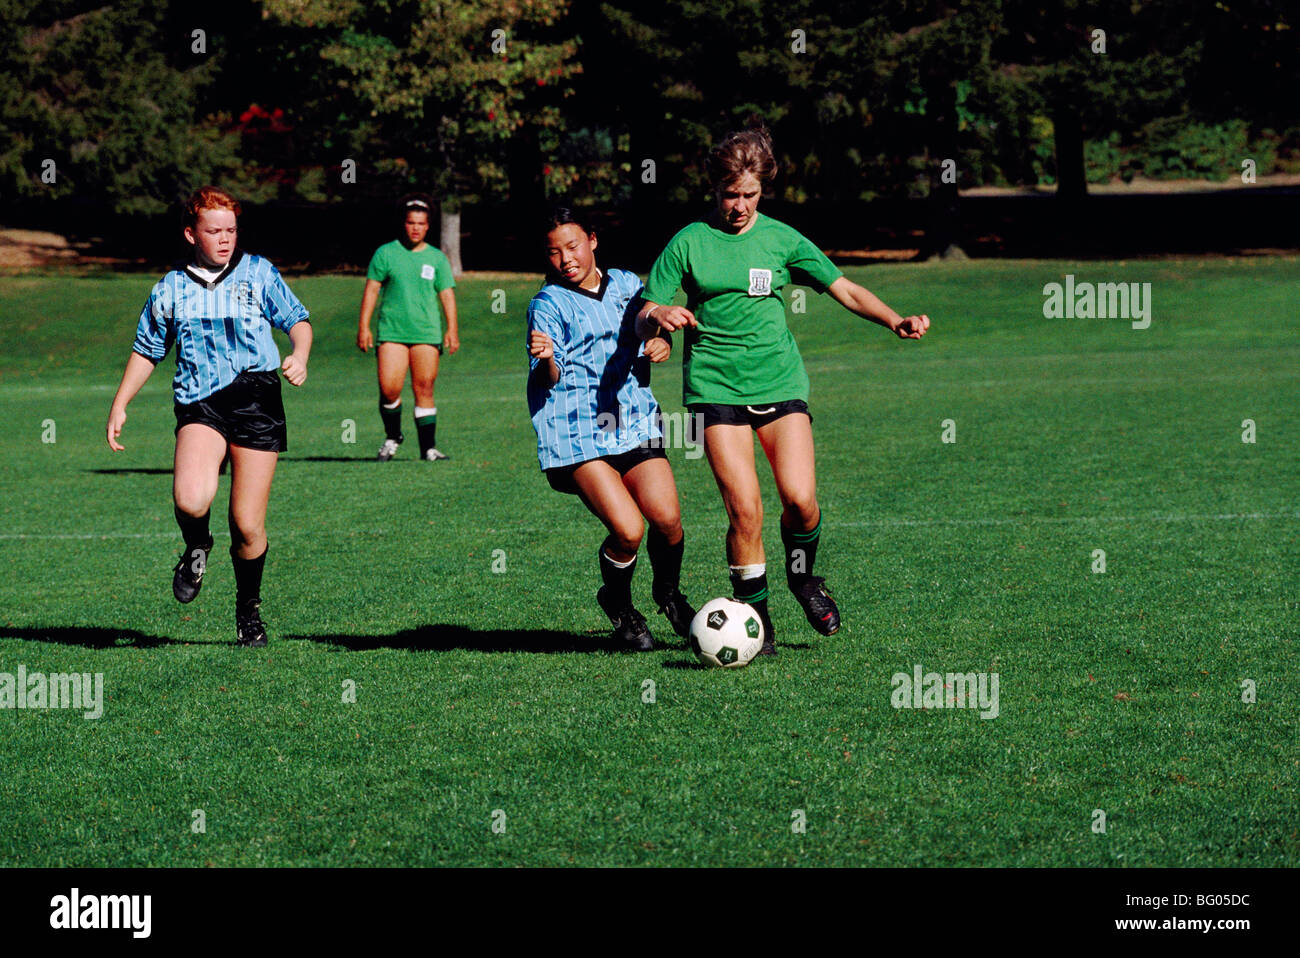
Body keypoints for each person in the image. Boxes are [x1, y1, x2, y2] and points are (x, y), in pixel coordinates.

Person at [637, 126, 931, 655]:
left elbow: (843, 288)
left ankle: (803, 578)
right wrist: (658, 322)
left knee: (800, 500)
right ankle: (757, 618)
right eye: (731, 194)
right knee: (745, 509)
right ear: (715, 189)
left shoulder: (782, 239)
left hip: (779, 380)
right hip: (714, 387)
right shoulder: (688, 242)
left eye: (750, 195)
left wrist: (894, 319)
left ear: (762, 189)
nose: (740, 206)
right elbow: (644, 309)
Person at [106, 185, 313, 647]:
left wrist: (300, 352)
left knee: (247, 524)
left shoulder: (258, 273)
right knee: (191, 500)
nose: (225, 239)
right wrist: (121, 402)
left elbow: (298, 319)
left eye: (231, 230)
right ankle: (197, 544)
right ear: (190, 234)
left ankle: (249, 614)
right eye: (213, 230)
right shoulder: (170, 289)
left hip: (257, 399)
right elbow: (148, 350)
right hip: (201, 403)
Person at [527, 208, 695, 650]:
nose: (565, 259)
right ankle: (620, 606)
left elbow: (648, 323)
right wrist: (546, 357)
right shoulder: (547, 305)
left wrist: (662, 339)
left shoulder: (626, 284)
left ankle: (669, 595)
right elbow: (551, 375)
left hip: (631, 420)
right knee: (628, 530)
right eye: (553, 252)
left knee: (668, 519)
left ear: (593, 240)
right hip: (578, 433)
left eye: (572, 246)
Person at [357, 193, 460, 461]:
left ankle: (429, 449)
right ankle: (393, 436)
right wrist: (364, 326)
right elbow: (371, 291)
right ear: (404, 223)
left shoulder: (437, 258)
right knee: (390, 388)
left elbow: (447, 294)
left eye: (421, 223)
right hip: (392, 332)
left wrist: (452, 329)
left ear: (428, 226)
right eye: (411, 222)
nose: (416, 228)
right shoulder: (386, 253)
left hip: (427, 332)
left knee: (424, 387)